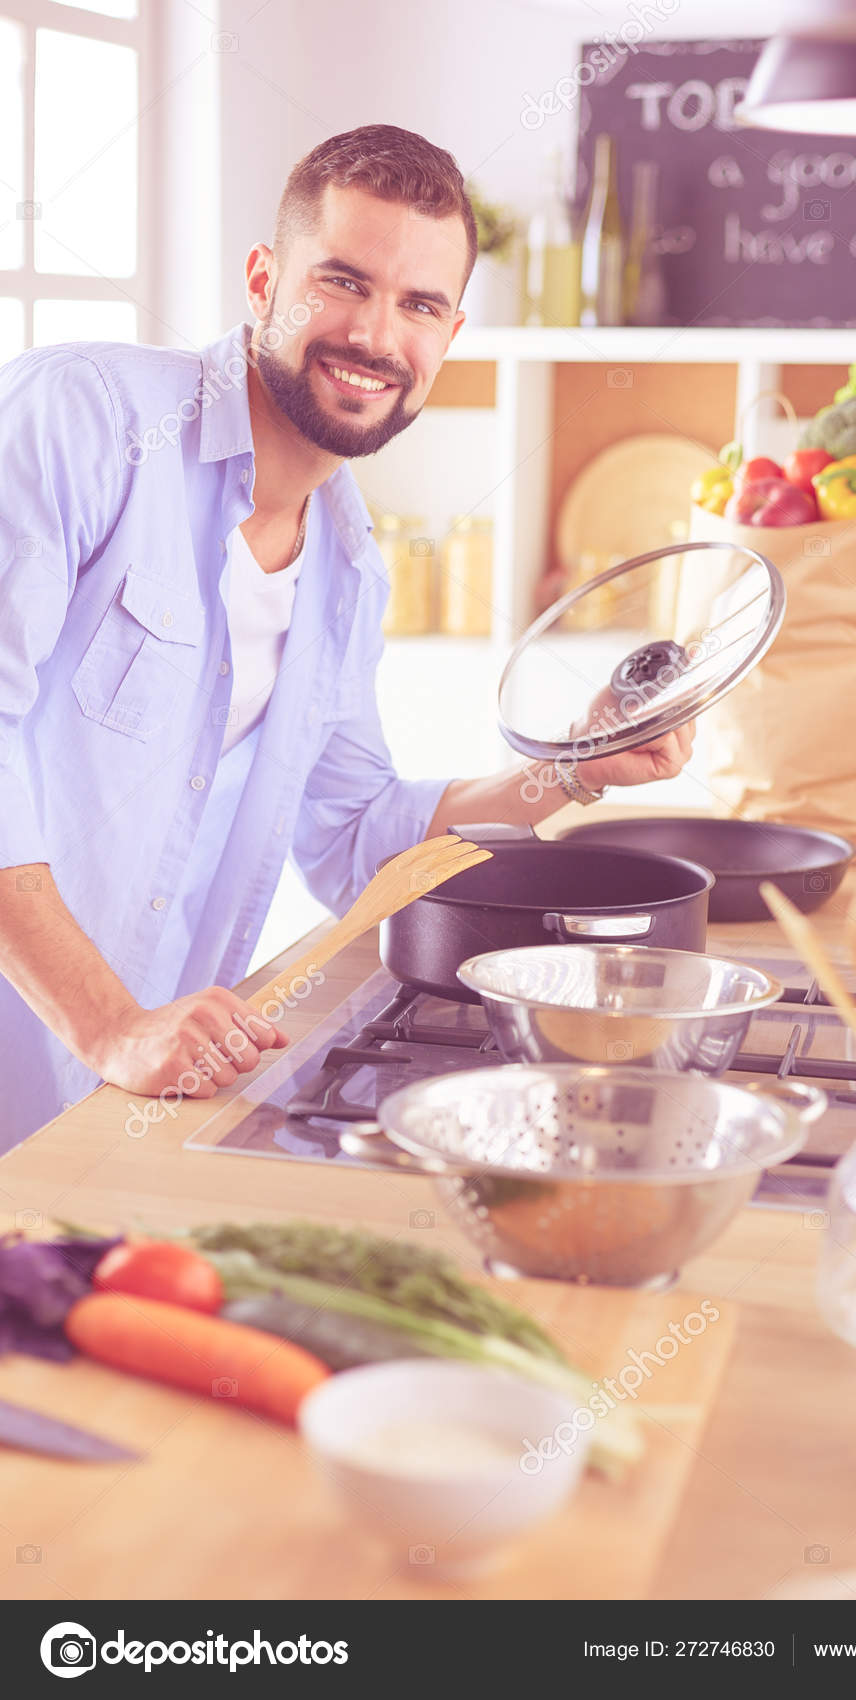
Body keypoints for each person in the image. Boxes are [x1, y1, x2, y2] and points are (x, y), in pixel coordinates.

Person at [0, 124, 694, 1153]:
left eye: (419, 305)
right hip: (68, 1049)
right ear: (263, 280)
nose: (374, 335)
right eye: (342, 282)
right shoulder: (85, 419)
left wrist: (574, 766)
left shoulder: (348, 565)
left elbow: (358, 840)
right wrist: (109, 1023)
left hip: (107, 1103)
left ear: (450, 334)